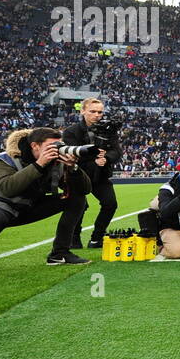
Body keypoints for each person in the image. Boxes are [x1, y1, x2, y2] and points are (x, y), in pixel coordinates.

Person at [0, 127, 92, 276]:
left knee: (76, 198)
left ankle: (59, 253)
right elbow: (8, 188)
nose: (57, 150)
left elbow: (84, 190)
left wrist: (73, 168)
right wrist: (39, 164)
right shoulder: (4, 159)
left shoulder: (55, 163)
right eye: (52, 146)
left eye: (59, 146)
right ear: (35, 146)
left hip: (25, 208)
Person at [62, 97, 120, 249]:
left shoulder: (109, 130)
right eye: (93, 111)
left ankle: (97, 237)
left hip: (100, 174)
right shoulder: (71, 132)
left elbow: (117, 151)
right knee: (79, 205)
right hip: (78, 174)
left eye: (100, 112)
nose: (97, 115)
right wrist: (94, 159)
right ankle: (74, 238)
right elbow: (71, 155)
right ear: (83, 111)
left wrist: (106, 158)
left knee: (110, 204)